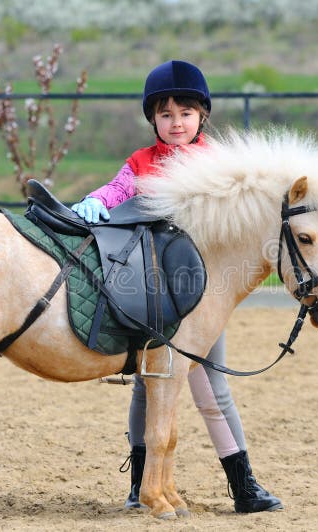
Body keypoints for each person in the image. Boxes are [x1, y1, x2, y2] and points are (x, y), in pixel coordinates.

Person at [71, 60, 283, 514]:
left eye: (185, 113)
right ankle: (140, 485)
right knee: (146, 386)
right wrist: (95, 201)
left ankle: (242, 483)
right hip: (150, 292)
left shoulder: (219, 165)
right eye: (165, 115)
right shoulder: (142, 162)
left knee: (213, 387)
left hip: (199, 292)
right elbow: (117, 191)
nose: (176, 123)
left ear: (201, 115)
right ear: (153, 120)